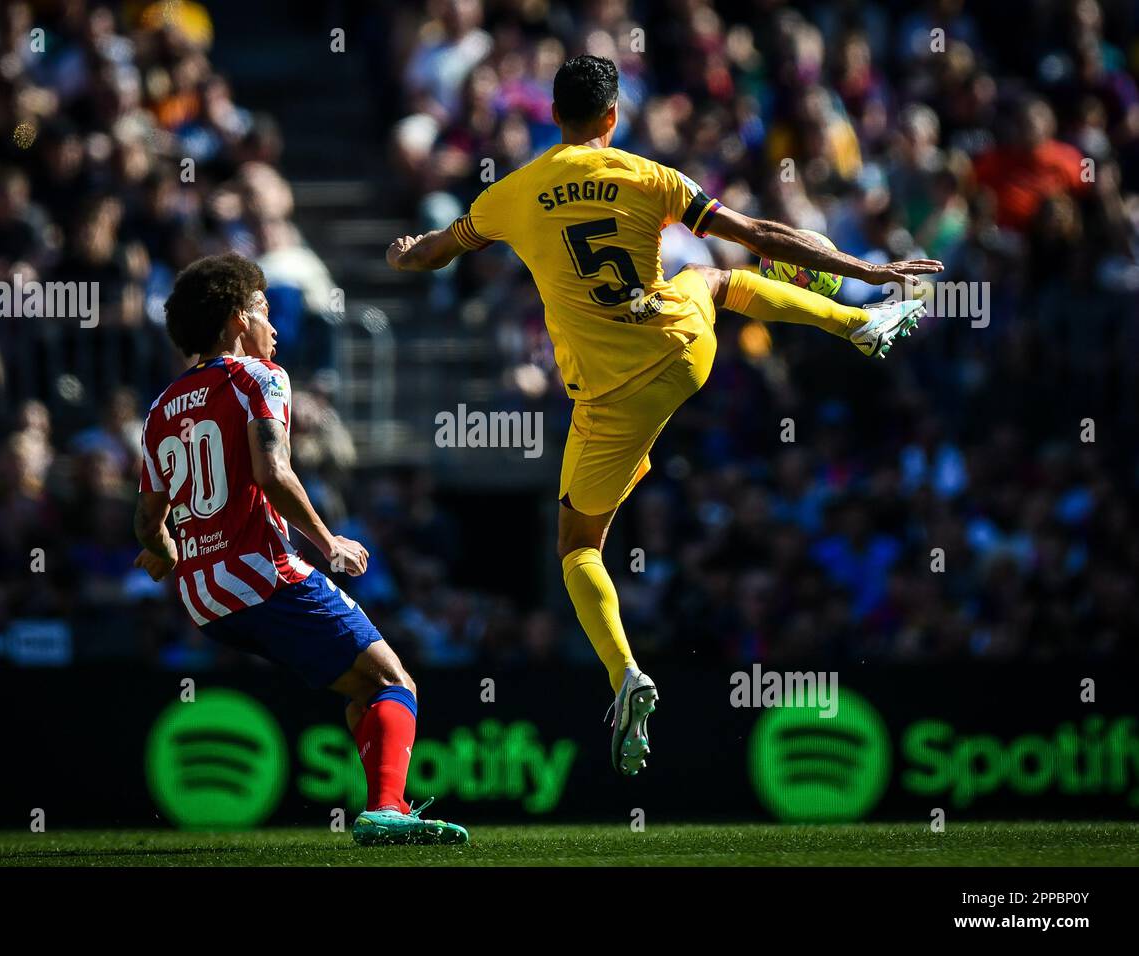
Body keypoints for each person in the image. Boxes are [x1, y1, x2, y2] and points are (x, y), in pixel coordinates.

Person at [386, 55, 942, 777]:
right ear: (612, 117)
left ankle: (624, 676)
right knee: (714, 276)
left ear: (553, 116)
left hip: (609, 399)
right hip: (683, 347)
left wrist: (404, 257)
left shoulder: (512, 195)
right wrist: (864, 270)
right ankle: (857, 323)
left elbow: (438, 251)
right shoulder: (650, 176)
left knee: (578, 546)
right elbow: (762, 234)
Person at [132, 252, 467, 845]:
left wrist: (167, 551)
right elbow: (272, 473)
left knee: (364, 686)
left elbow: (148, 523)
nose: (274, 328)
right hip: (262, 574)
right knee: (397, 681)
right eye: (264, 312)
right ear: (239, 320)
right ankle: (387, 811)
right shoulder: (259, 378)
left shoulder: (160, 409)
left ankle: (390, 806)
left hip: (203, 600)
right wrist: (329, 540)